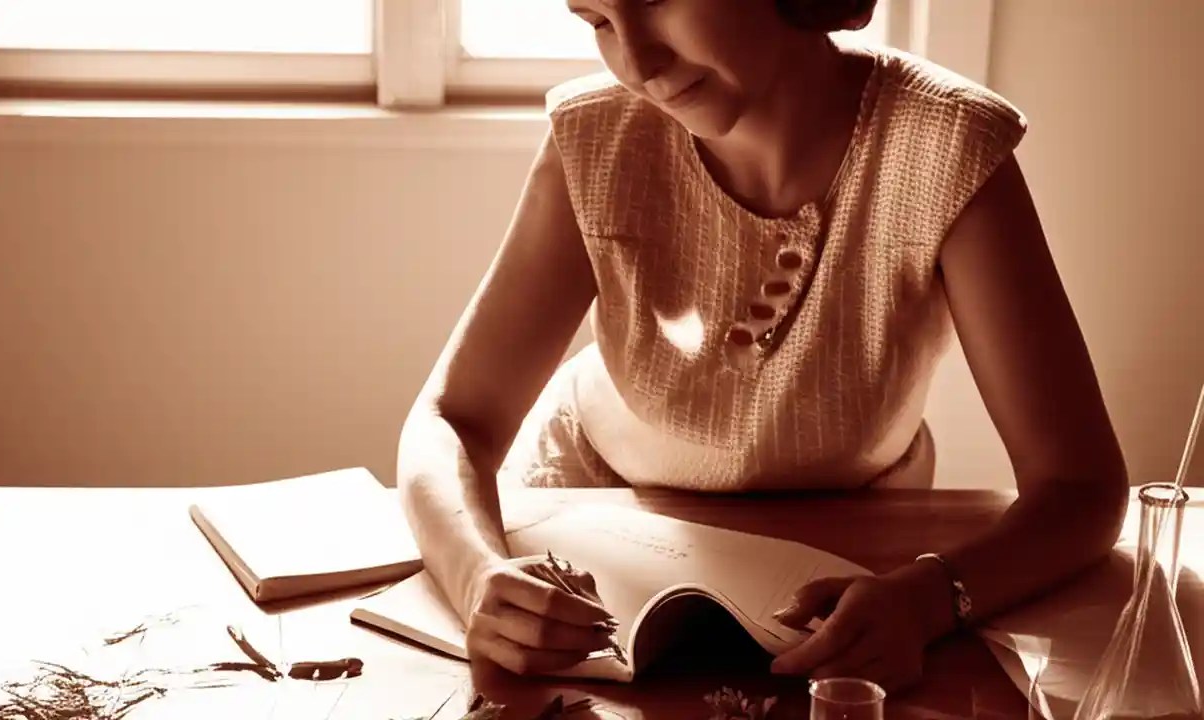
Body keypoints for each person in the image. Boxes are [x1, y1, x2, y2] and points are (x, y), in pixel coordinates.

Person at [395, 0, 1130, 693]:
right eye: (597, 20)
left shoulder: (948, 145)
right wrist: (478, 577)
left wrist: (932, 599)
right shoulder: (595, 137)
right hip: (590, 520)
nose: (637, 62)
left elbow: (1080, 487)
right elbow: (450, 421)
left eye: (655, 1)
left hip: (850, 553)